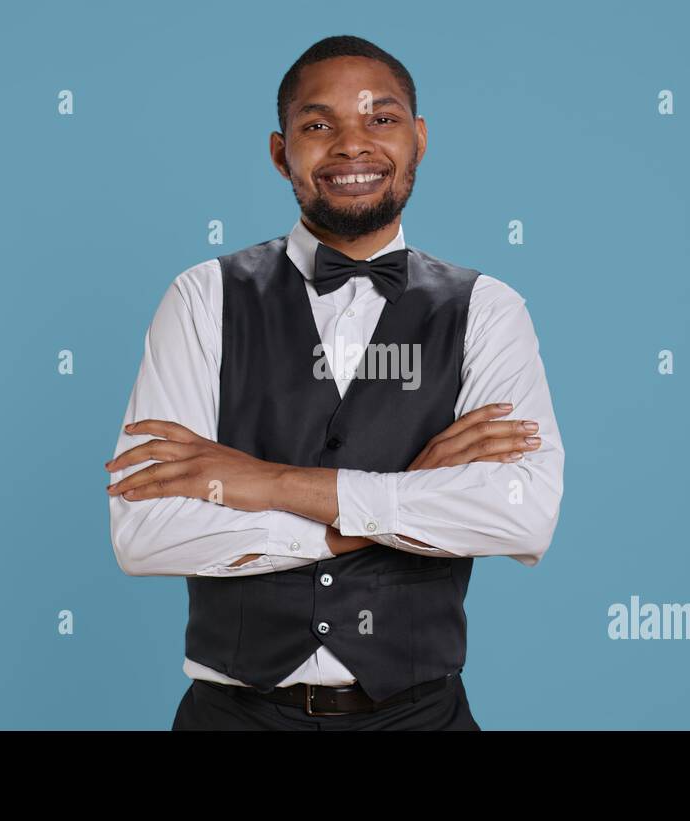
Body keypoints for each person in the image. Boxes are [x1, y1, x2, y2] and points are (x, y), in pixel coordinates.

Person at [105, 35, 564, 730]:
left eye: (380, 118)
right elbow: (144, 531)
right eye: (319, 125)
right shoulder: (203, 298)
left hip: (422, 715)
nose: (353, 145)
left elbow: (520, 513)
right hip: (234, 715)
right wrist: (388, 506)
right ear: (280, 151)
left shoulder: (489, 310)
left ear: (419, 138)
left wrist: (270, 482)